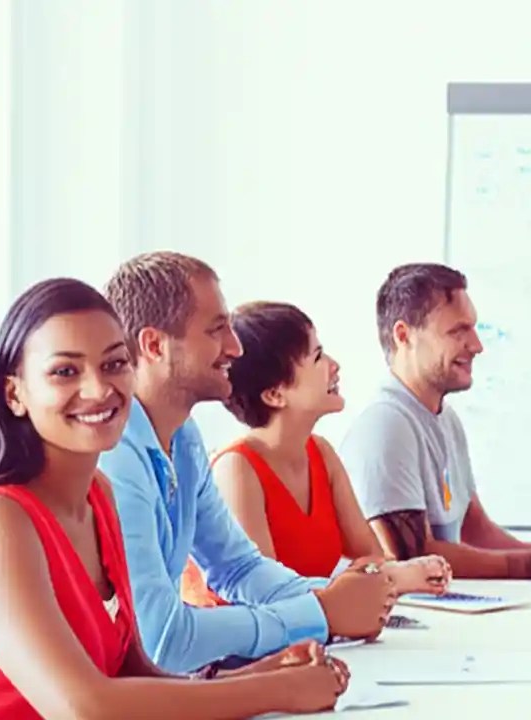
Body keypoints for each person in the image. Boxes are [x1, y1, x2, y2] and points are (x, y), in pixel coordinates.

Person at [0, 278, 347, 718]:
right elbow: (84, 707)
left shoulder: (99, 497)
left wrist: (264, 674)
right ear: (15, 394)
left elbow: (130, 672)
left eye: (114, 364)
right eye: (66, 371)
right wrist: (279, 693)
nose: (99, 389)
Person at [97, 251, 395, 675]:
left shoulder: (183, 438)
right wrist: (320, 613)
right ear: (154, 345)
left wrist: (339, 598)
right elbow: (162, 639)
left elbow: (237, 566)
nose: (235, 348)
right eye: (217, 330)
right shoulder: (116, 455)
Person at [339, 263, 531, 580]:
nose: (477, 345)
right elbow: (414, 558)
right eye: (458, 331)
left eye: (472, 328)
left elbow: (475, 530)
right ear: (404, 336)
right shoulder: (385, 425)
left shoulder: (445, 418)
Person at [180, 300, 452, 607]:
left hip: (308, 634)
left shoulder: (320, 452)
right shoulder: (236, 469)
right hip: (244, 650)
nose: (334, 366)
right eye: (318, 357)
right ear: (274, 394)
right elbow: (264, 596)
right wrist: (388, 578)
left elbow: (373, 557)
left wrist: (391, 574)